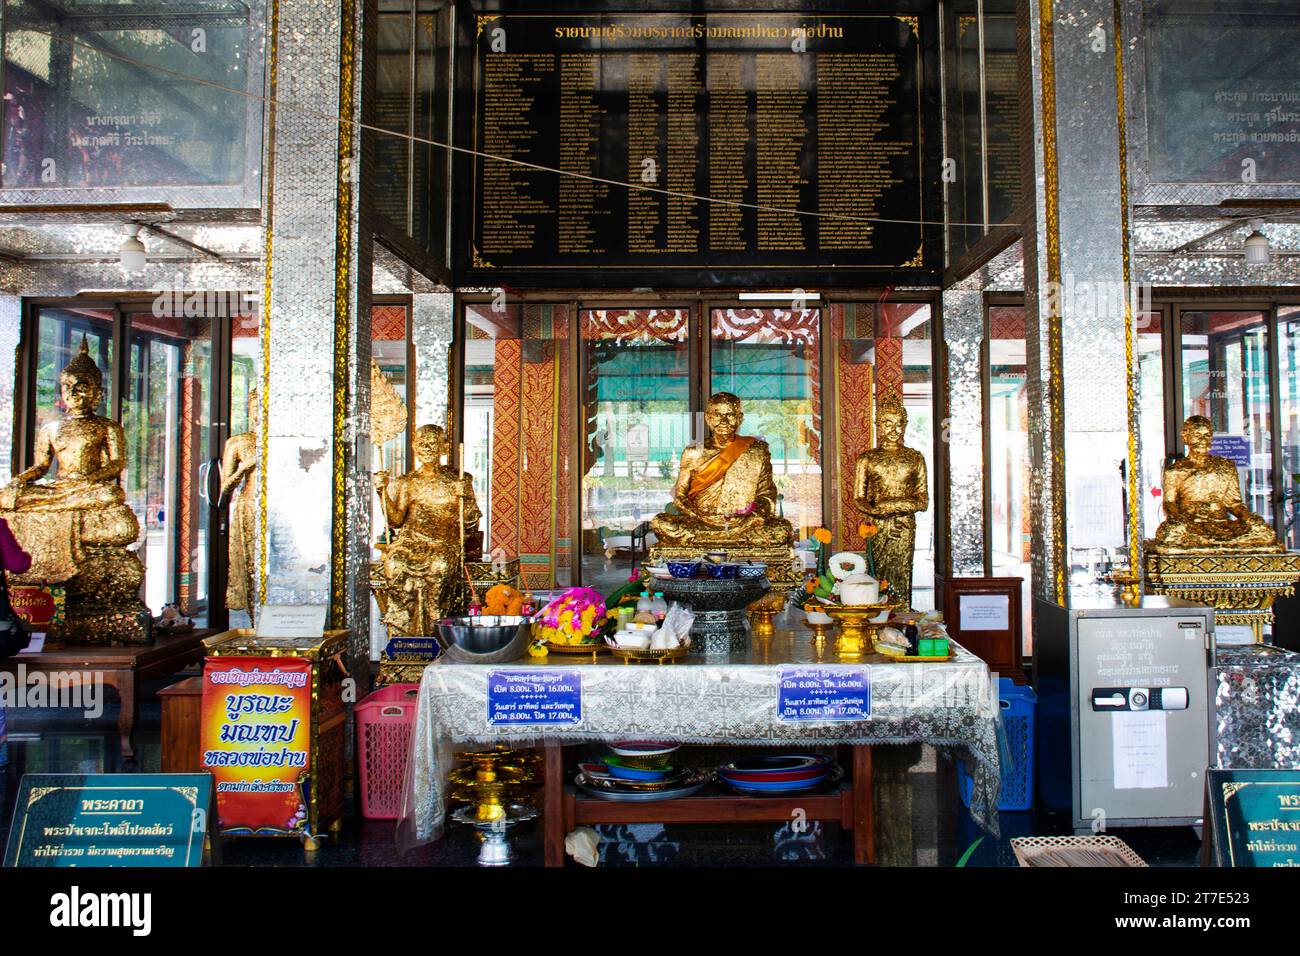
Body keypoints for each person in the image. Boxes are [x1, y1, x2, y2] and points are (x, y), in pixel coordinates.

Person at [373, 424, 481, 636]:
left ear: (443, 447)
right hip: (411, 543)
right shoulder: (407, 482)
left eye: (433, 443)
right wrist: (382, 492)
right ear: (414, 446)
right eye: (422, 444)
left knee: (439, 567)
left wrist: (464, 498)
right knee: (394, 563)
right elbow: (395, 521)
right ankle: (404, 635)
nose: (427, 448)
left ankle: (436, 631)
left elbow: (470, 522)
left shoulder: (459, 478)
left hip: (443, 544)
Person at [650, 392, 794, 548]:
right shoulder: (694, 452)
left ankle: (715, 541)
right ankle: (730, 541)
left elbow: (766, 494)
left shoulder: (757, 450)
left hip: (743, 523)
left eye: (730, 414)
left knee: (782, 529)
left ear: (740, 418)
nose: (724, 421)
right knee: (660, 522)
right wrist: (702, 517)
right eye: (717, 414)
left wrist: (751, 517)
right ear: (708, 418)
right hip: (702, 521)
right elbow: (680, 497)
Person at [1152, 415, 1281, 553]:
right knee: (1171, 533)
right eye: (1197, 435)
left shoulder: (1226, 466)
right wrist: (1178, 519)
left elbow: (1234, 503)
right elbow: (1169, 503)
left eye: (1207, 435)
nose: (1202, 440)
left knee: (1262, 531)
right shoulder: (1175, 471)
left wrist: (1247, 518)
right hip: (1191, 525)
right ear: (1185, 437)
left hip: (1223, 525)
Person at [853, 389, 929, 606]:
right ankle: (877, 609)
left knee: (903, 568)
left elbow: (922, 501)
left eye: (898, 423)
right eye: (887, 423)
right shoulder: (867, 459)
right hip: (878, 524)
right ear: (879, 425)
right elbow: (858, 498)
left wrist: (893, 504)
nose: (894, 429)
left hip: (904, 525)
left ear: (904, 424)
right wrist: (876, 510)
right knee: (877, 569)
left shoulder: (914, 457)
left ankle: (903, 608)